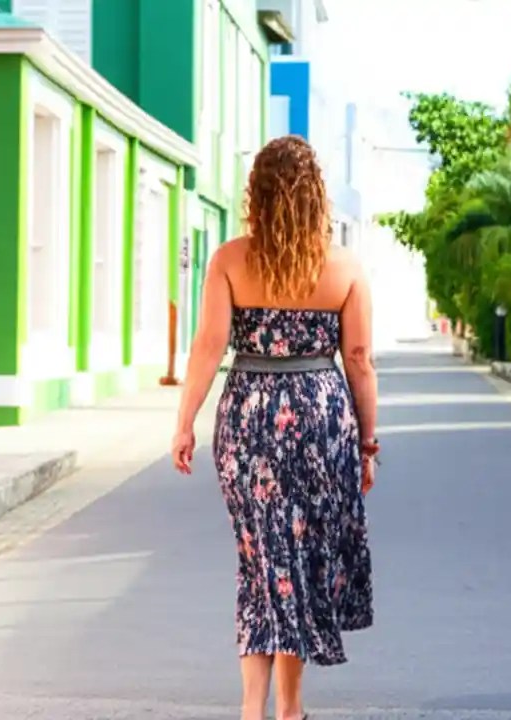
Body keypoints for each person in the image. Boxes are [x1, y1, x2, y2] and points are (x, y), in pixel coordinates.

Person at [171, 135, 379, 720]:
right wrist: (367, 443)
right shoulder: (344, 268)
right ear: (318, 198)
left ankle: (250, 708)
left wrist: (185, 423)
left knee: (261, 559)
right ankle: (289, 709)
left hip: (249, 419)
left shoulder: (232, 260)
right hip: (322, 419)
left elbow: (209, 346)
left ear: (256, 192)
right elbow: (359, 360)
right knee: (301, 560)